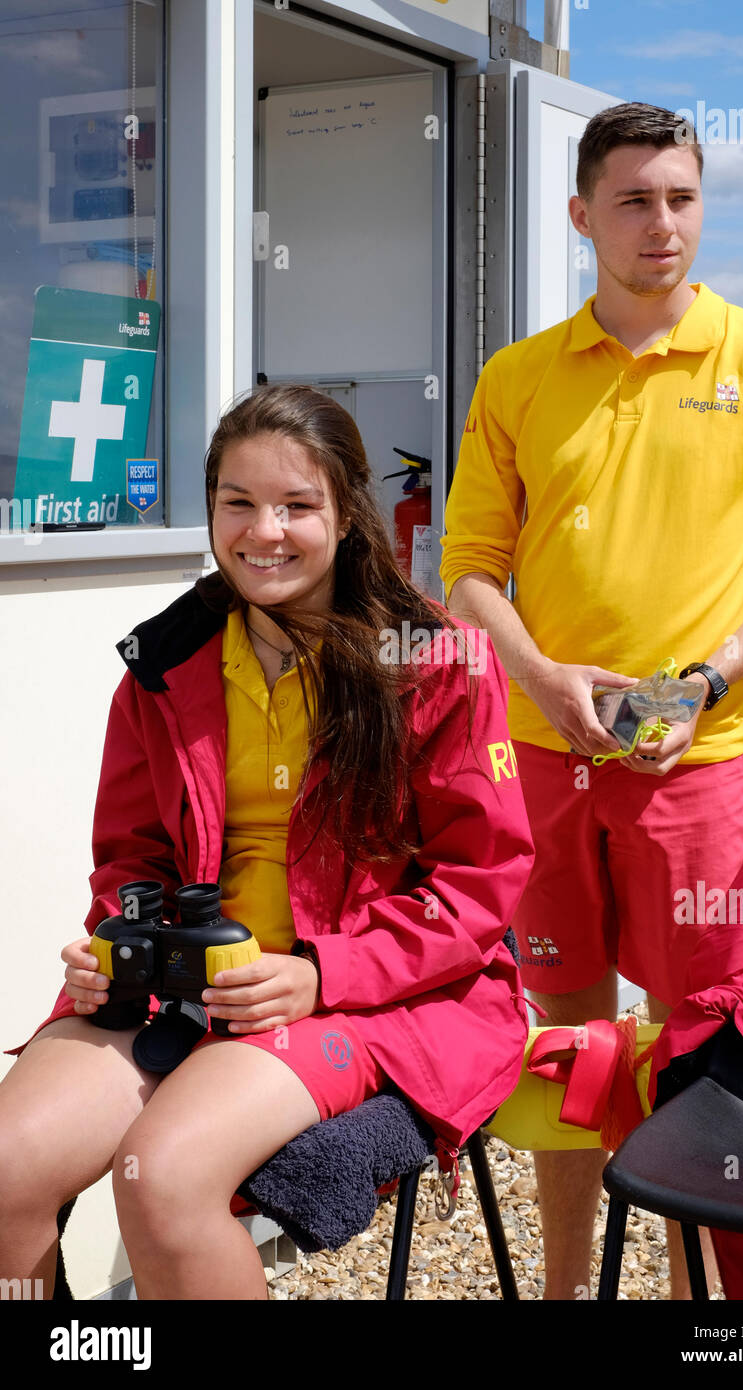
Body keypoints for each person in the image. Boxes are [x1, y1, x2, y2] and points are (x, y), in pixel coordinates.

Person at [0, 384, 534, 1301]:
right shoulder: (163, 668)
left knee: (159, 1179)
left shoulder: (436, 661)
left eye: (297, 505)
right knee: (7, 1170)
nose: (264, 531)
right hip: (183, 990)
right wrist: (114, 948)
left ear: (348, 512)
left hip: (373, 1000)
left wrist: (326, 974)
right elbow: (132, 861)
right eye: (237, 503)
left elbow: (483, 887)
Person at [439, 101, 743, 1300]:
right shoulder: (516, 377)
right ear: (580, 216)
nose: (659, 223)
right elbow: (465, 570)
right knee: (565, 1054)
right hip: (539, 762)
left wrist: (706, 678)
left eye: (679, 197)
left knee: (695, 1059)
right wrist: (542, 676)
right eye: (631, 199)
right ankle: (564, 1293)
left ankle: (689, 1307)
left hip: (694, 768)